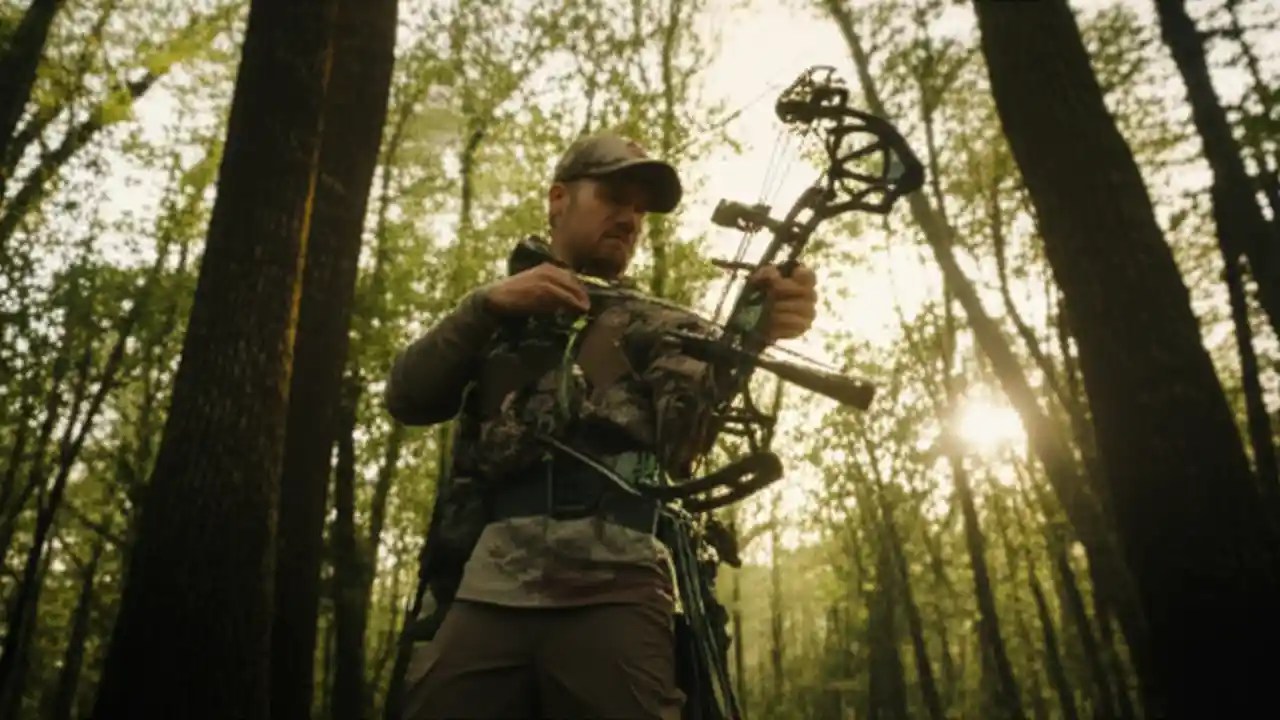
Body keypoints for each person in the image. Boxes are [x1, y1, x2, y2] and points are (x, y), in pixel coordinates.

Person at [385, 131, 819, 719]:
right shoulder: (499, 310)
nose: (631, 218)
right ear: (559, 198)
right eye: (615, 196)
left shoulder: (655, 325)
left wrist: (754, 330)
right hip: (492, 580)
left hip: (616, 583)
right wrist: (484, 306)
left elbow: (683, 441)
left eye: (641, 208)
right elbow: (409, 397)